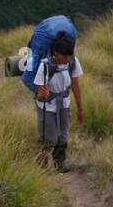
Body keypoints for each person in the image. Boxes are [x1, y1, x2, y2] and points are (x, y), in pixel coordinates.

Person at [33, 32, 83, 173]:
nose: (67, 59)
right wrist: (43, 92)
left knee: (62, 136)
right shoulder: (46, 65)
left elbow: (75, 86)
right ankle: (41, 164)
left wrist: (80, 109)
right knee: (49, 139)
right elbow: (40, 89)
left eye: (69, 56)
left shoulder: (73, 62)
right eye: (64, 56)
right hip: (47, 106)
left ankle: (59, 165)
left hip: (64, 104)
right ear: (56, 53)